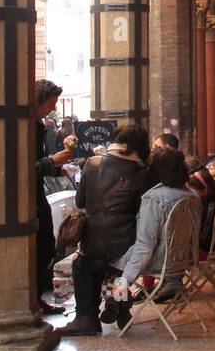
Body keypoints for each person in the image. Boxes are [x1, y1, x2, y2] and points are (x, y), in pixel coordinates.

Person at [60, 125, 153, 337]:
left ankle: (86, 317)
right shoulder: (144, 172)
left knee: (82, 264)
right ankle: (120, 303)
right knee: (115, 267)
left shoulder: (92, 163)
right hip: (126, 242)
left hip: (93, 242)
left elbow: (80, 201)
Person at [111, 148, 202, 330]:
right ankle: (115, 302)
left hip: (160, 263)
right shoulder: (192, 195)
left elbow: (146, 245)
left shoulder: (154, 198)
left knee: (106, 259)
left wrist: (125, 280)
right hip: (185, 259)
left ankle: (117, 301)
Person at [34, 79, 77, 315]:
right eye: (51, 103)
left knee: (47, 246)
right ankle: (35, 299)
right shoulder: (28, 125)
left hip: (37, 193)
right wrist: (53, 162)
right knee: (43, 247)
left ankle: (36, 299)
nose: (53, 109)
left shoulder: (37, 124)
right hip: (31, 198)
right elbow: (23, 167)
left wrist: (58, 167)